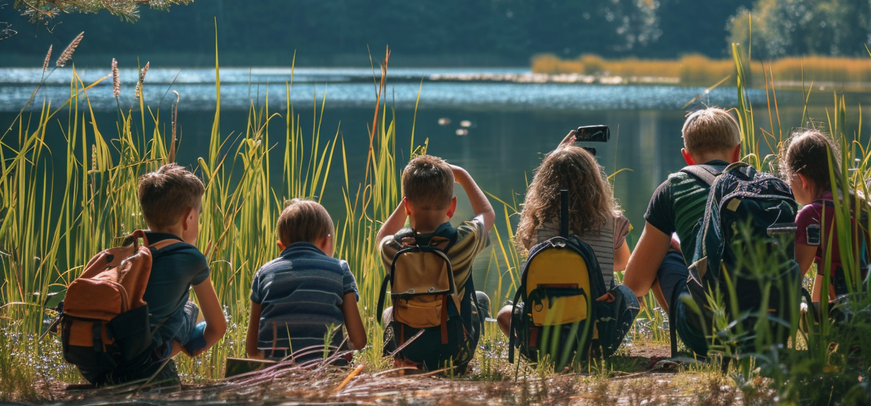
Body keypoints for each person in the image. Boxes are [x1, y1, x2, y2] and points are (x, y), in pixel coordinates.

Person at [781, 129, 871, 337]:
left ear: (802, 179)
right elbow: (824, 275)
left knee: (790, 307)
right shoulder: (860, 202)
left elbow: (793, 278)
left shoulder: (812, 213)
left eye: (790, 180)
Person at [497, 134, 638, 355]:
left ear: (543, 183)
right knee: (627, 294)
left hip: (546, 321)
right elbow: (621, 264)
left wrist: (555, 156)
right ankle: (595, 347)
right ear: (595, 181)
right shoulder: (613, 221)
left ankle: (535, 348)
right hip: (593, 324)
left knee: (505, 314)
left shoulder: (536, 225)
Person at [623, 108, 743, 356]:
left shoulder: (673, 189)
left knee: (661, 250)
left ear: (687, 157)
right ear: (737, 152)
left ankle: (695, 329)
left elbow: (635, 285)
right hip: (771, 329)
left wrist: (678, 247)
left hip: (708, 337)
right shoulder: (761, 185)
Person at [376, 155, 495, 369]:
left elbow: (381, 237)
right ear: (452, 207)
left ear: (407, 206)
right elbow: (487, 214)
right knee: (480, 299)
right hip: (453, 354)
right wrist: (463, 176)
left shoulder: (393, 250)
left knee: (388, 313)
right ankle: (462, 358)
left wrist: (410, 197)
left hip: (410, 349)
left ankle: (400, 358)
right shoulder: (462, 242)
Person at [137, 164, 227, 382]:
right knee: (191, 309)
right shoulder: (191, 257)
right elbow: (217, 328)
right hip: (151, 371)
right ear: (189, 218)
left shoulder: (134, 253)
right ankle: (168, 350)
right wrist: (185, 347)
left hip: (112, 360)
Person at [245, 199, 367, 361]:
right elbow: (359, 341)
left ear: (281, 246)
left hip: (274, 373)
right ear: (326, 241)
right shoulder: (340, 269)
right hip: (327, 373)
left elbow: (252, 350)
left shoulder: (263, 274)